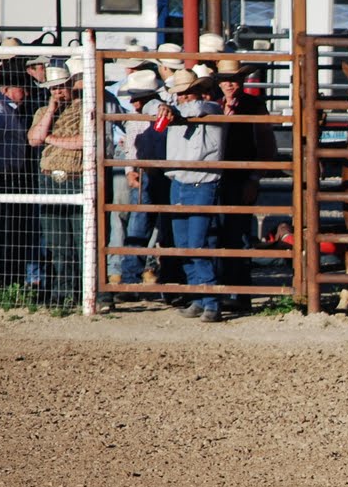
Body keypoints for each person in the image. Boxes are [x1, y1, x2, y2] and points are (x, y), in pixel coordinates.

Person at [159, 69, 226, 322]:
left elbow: (196, 109)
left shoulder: (209, 108)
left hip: (201, 182)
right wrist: (167, 108)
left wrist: (170, 109)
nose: (184, 98)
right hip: (180, 181)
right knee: (184, 245)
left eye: (187, 93)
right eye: (180, 94)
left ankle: (210, 300)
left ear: (199, 92)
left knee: (197, 243)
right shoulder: (175, 110)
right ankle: (199, 296)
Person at [214, 58, 277, 311]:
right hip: (211, 177)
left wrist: (254, 177)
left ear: (241, 81)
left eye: (234, 79)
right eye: (225, 80)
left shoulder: (254, 105)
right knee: (213, 233)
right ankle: (214, 292)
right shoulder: (211, 104)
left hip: (240, 176)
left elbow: (265, 143)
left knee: (237, 233)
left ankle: (239, 292)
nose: (229, 84)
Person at [26, 63, 85, 306]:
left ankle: (85, 290)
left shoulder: (84, 109)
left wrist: (49, 138)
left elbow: (82, 141)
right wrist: (51, 110)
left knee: (82, 240)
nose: (58, 93)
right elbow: (32, 139)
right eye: (53, 89)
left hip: (75, 177)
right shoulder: (42, 112)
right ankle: (64, 292)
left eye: (61, 87)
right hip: (50, 178)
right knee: (57, 242)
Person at [0, 66, 38, 289]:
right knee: (2, 228)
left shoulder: (9, 109)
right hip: (1, 175)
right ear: (7, 89)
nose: (26, 92)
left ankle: (8, 277)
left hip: (12, 174)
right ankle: (1, 278)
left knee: (12, 228)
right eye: (22, 88)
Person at [118, 69, 169, 290]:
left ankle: (131, 276)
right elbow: (131, 146)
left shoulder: (156, 112)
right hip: (153, 172)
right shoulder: (162, 111)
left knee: (140, 226)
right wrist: (131, 169)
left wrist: (131, 169)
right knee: (154, 225)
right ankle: (141, 273)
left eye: (136, 97)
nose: (133, 102)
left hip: (150, 172)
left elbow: (131, 146)